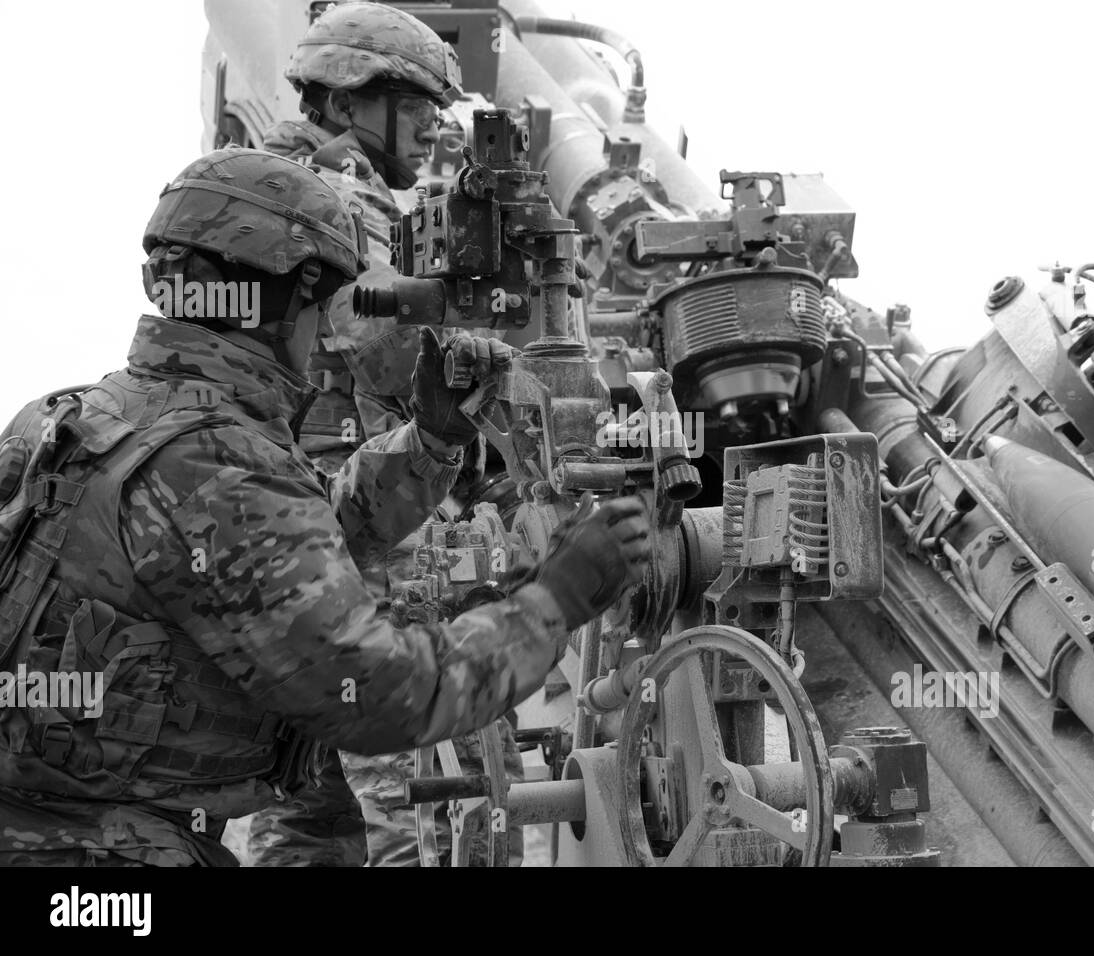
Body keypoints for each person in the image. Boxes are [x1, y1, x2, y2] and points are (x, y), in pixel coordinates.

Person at [0, 147, 650, 866]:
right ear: (299, 287)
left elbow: (271, 562)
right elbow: (379, 693)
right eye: (324, 305)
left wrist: (430, 441)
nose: (323, 337)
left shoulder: (65, 418)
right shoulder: (219, 460)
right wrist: (556, 599)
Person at [247, 0, 521, 867]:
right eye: (417, 107)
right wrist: (499, 424)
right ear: (349, 100)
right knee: (383, 801)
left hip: (289, 522)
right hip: (352, 524)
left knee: (305, 800)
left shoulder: (270, 186)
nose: (435, 128)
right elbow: (390, 354)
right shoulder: (340, 194)